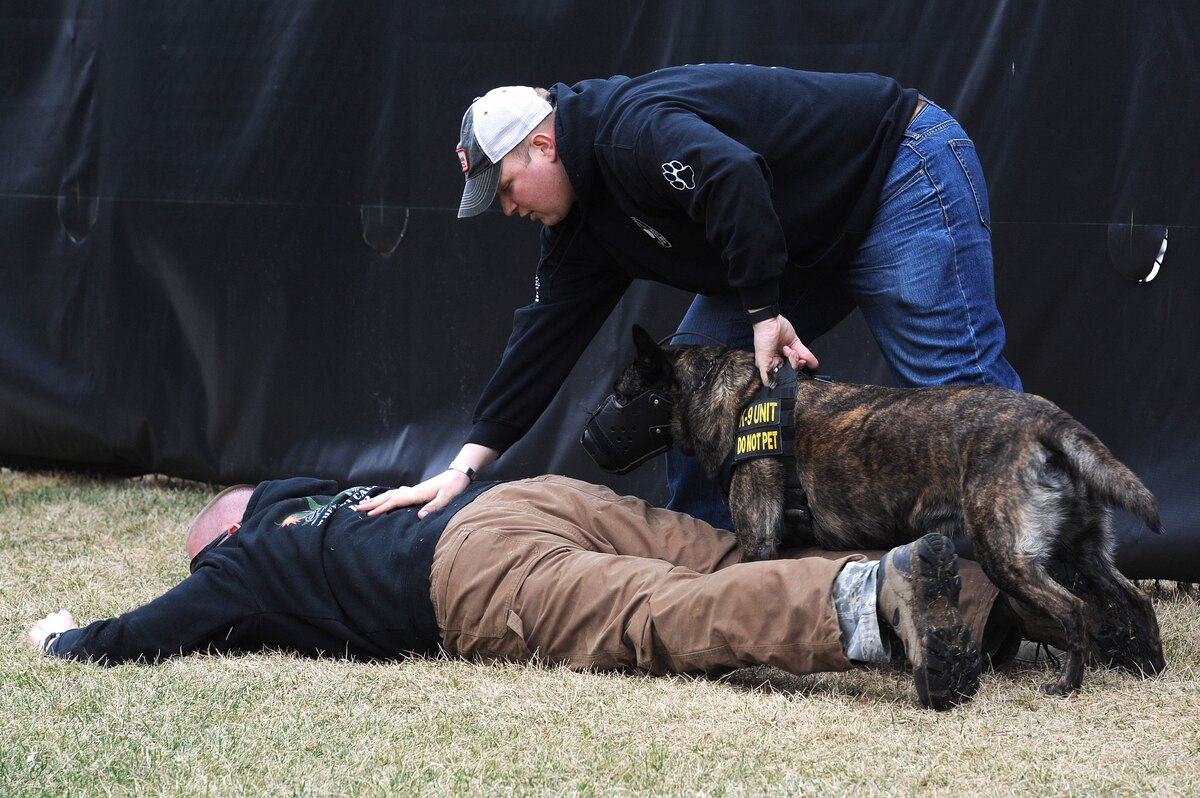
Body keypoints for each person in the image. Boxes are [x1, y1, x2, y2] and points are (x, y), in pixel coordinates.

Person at [357, 64, 1023, 530]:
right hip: (793, 238)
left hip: (894, 172)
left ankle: (1062, 586)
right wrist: (463, 468)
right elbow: (541, 343)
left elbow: (731, 175)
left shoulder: (627, 131)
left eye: (504, 189)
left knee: (959, 396)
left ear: (542, 145)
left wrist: (762, 312)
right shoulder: (579, 228)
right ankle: (717, 584)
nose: (506, 210)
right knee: (693, 380)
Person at [27, 476, 1025, 711]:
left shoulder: (239, 564)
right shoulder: (315, 496)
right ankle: (990, 592)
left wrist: (67, 640)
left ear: (219, 537)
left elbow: (147, 634)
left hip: (471, 577)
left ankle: (887, 600)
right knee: (708, 556)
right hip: (525, 501)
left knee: (656, 614)